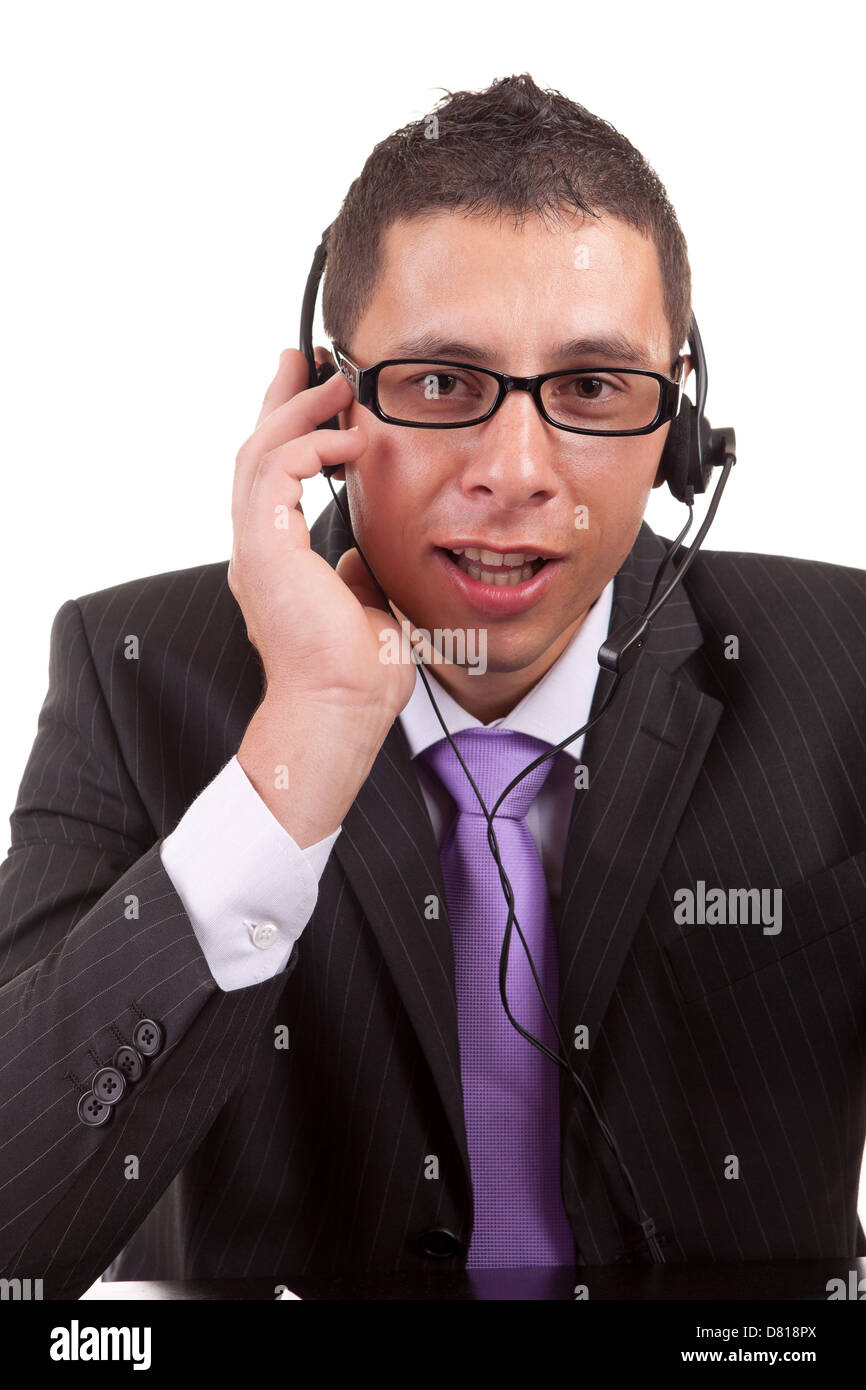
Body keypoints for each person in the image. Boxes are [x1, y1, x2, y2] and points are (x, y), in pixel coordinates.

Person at [0, 74, 864, 1300]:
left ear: (678, 430)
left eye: (590, 388)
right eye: (443, 384)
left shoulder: (848, 664)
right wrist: (296, 754)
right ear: (328, 401)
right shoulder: (129, 670)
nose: (514, 472)